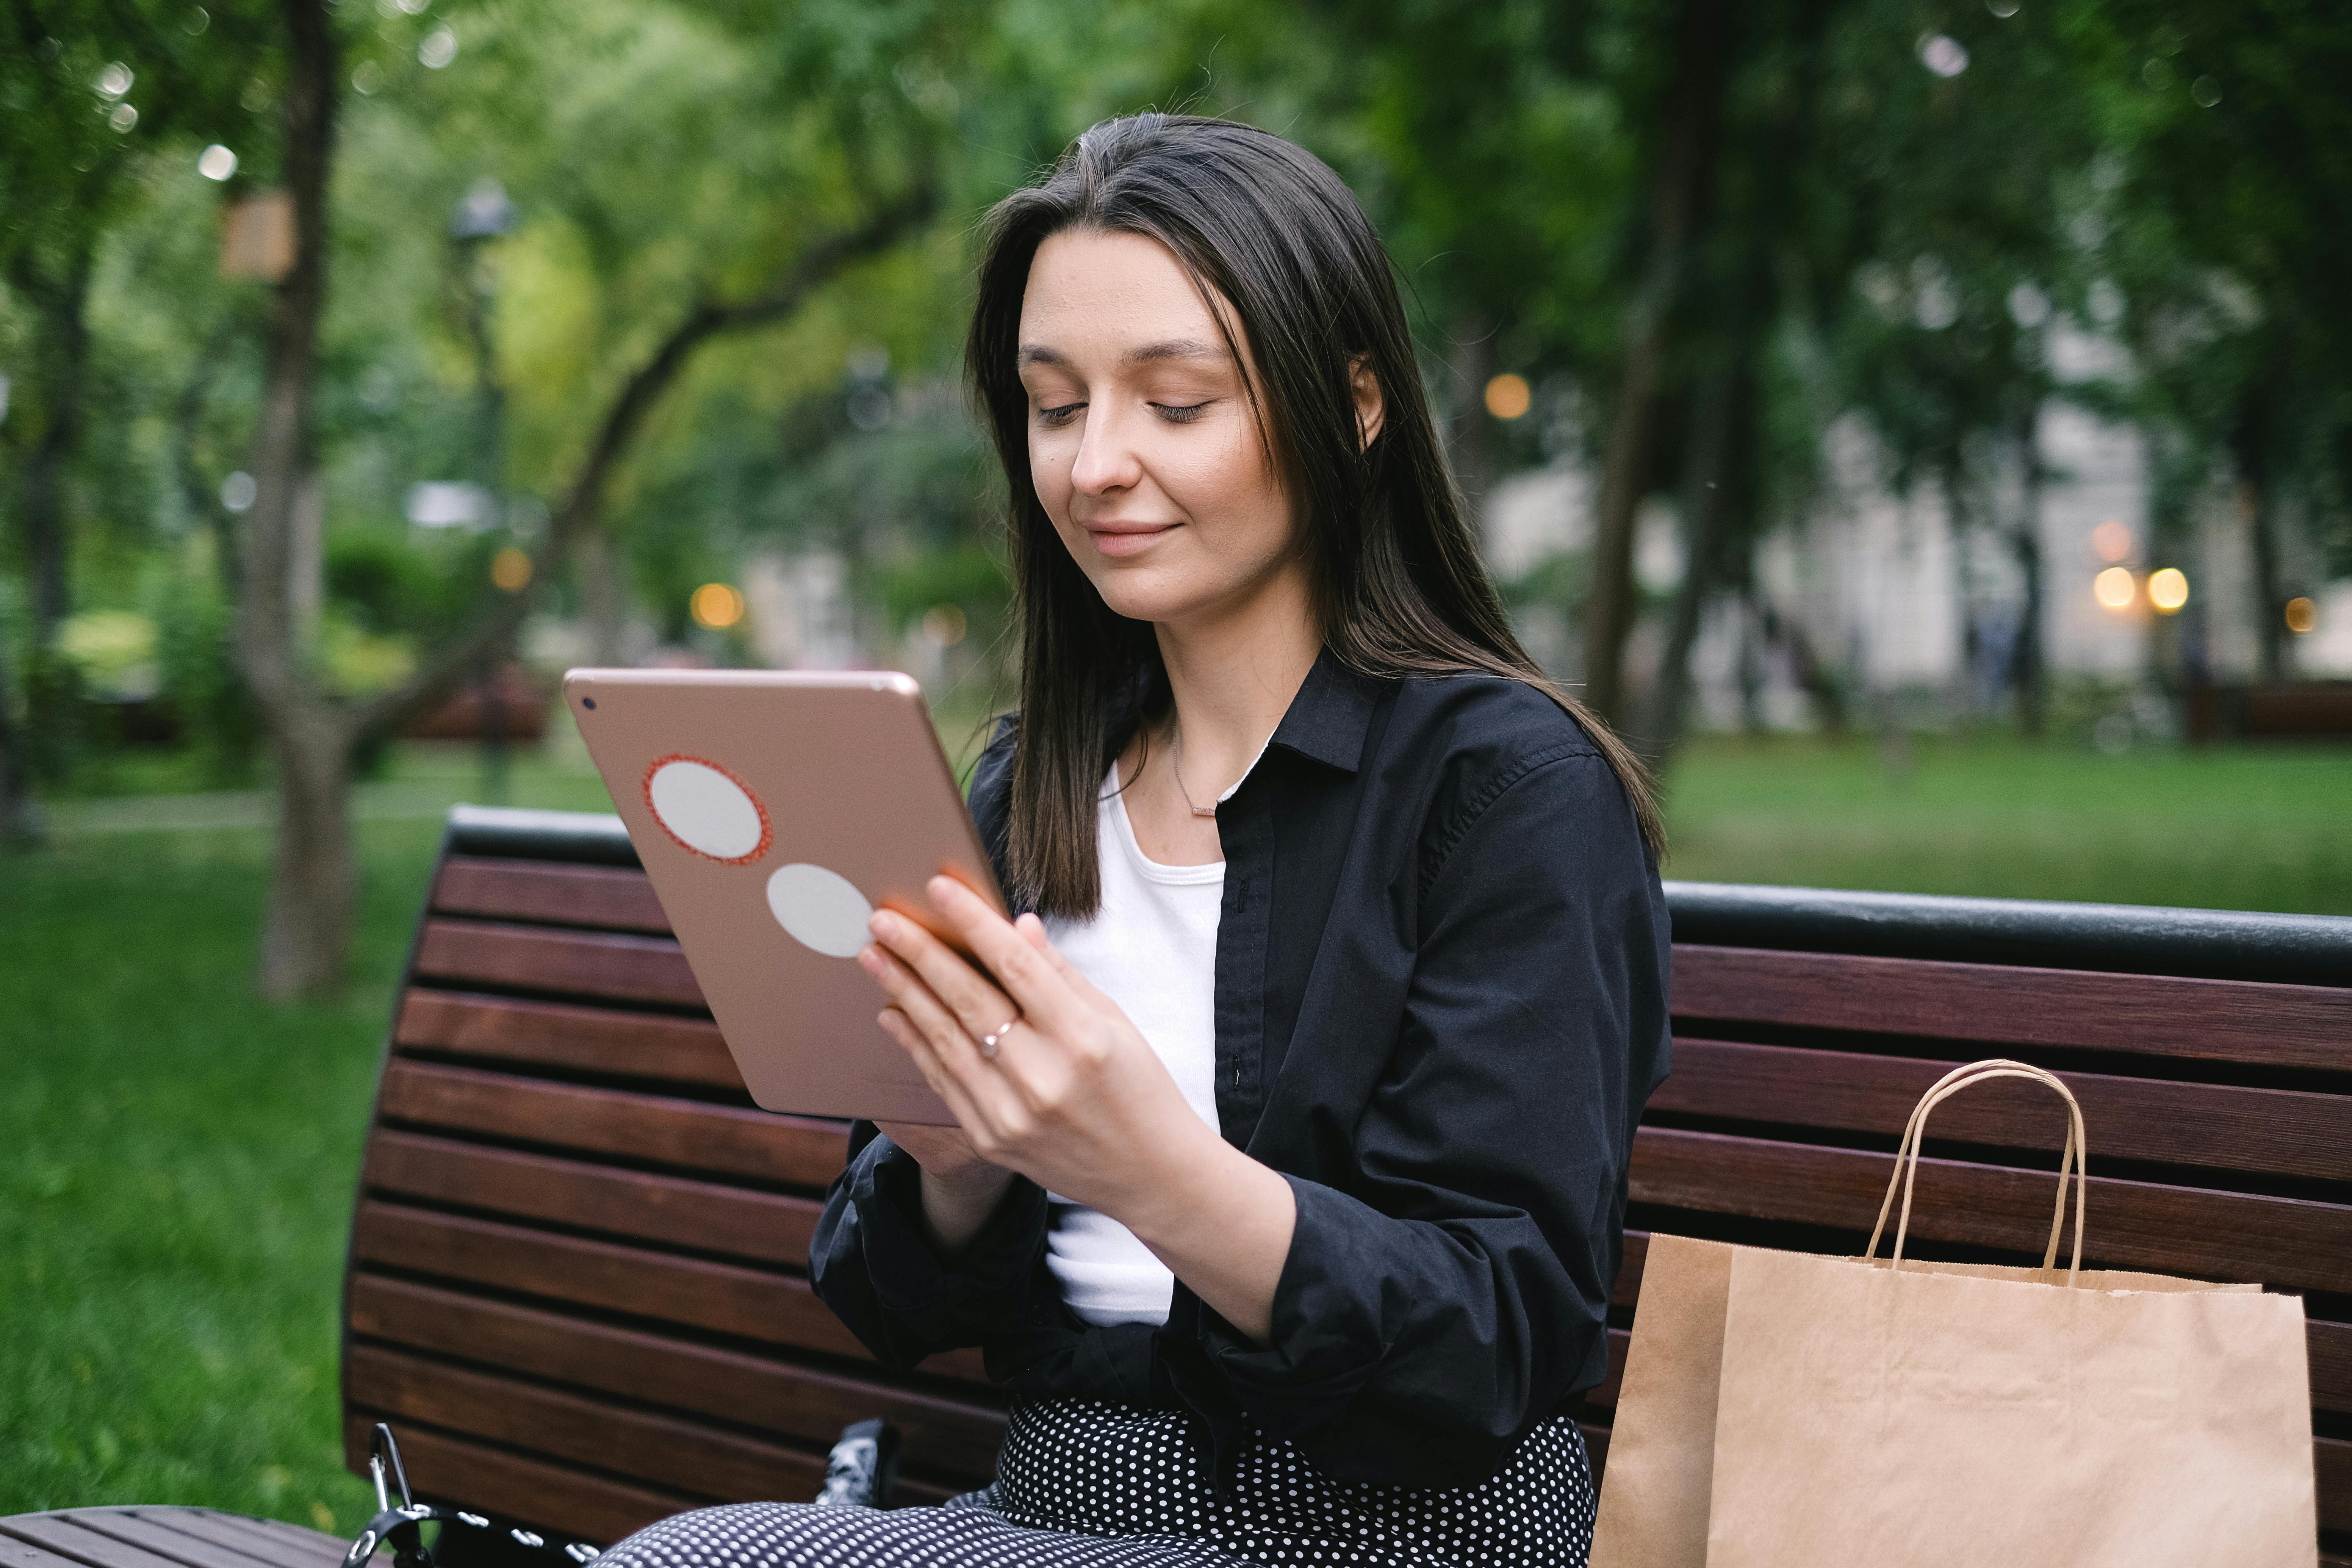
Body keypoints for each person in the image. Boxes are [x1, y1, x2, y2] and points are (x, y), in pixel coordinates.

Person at [594, 111, 1670, 1568]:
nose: (1097, 464)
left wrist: (1148, 1164)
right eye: (1055, 407)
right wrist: (951, 1154)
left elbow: (1494, 1341)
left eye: (1175, 403)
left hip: (1384, 1528)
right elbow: (888, 1303)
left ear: (1353, 406)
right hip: (1058, 1508)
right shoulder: (1036, 781)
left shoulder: (1505, 788)